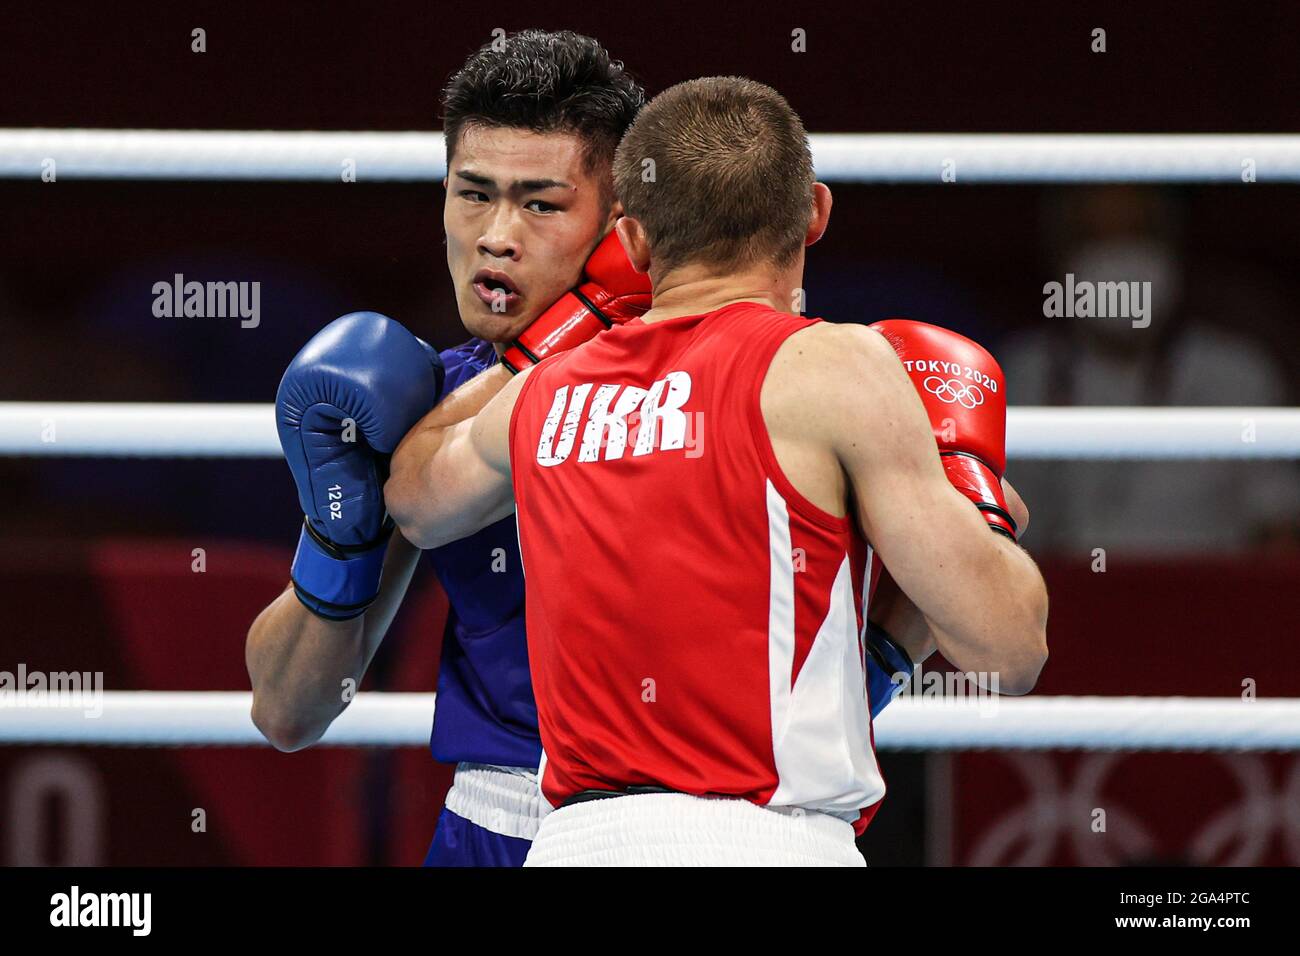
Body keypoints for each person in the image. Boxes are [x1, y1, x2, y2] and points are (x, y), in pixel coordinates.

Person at [384, 76, 1049, 866]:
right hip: (765, 843)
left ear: (627, 242)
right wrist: (974, 495)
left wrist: (548, 341)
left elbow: (414, 499)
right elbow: (1009, 649)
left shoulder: (546, 389)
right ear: (815, 213)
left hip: (569, 846)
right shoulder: (835, 366)